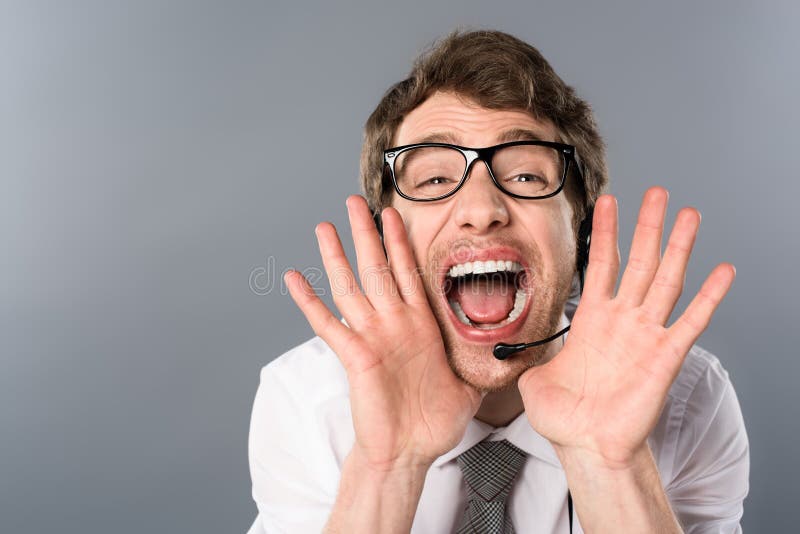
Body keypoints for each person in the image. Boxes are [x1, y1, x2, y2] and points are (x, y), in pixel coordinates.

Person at [247, 30, 749, 533]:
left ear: (581, 230)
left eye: (526, 176)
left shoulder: (686, 400)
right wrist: (387, 466)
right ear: (386, 237)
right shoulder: (307, 401)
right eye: (435, 180)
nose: (481, 211)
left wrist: (610, 465)